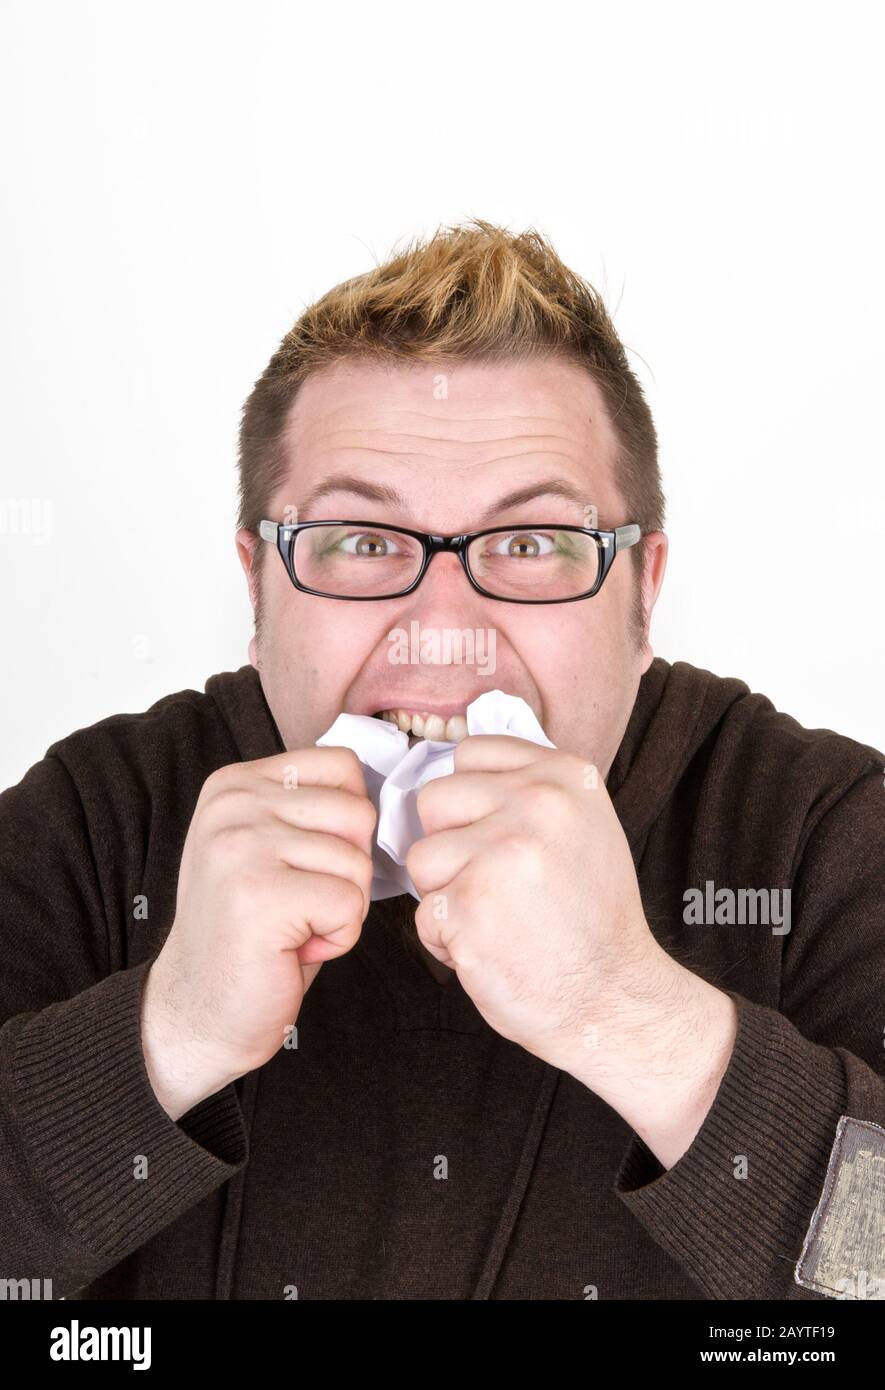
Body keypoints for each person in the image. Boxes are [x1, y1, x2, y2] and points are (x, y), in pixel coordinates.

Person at [1, 219, 882, 1302]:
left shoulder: (826, 837)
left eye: (530, 544)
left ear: (643, 592)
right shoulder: (94, 824)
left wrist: (629, 1012)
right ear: (259, 589)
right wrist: (164, 1032)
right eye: (365, 543)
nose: (444, 626)